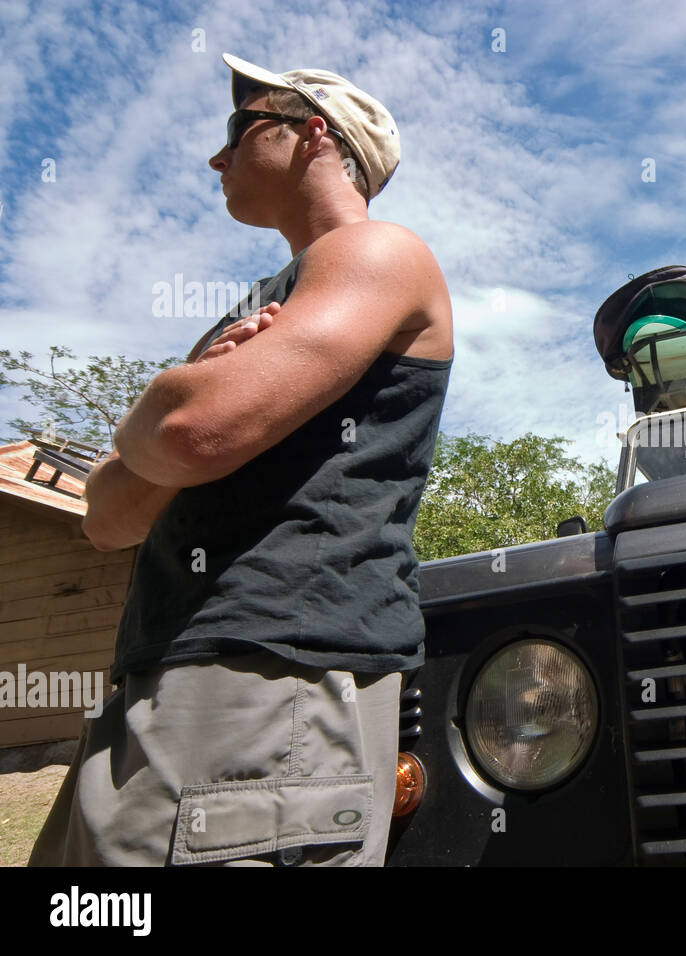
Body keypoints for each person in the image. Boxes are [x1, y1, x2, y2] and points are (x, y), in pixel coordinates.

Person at [29, 53, 453, 866]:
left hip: (269, 679)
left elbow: (189, 432)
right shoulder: (257, 308)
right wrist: (177, 406)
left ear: (314, 135)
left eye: (239, 126)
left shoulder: (379, 253)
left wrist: (177, 401)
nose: (216, 157)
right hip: (166, 673)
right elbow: (106, 516)